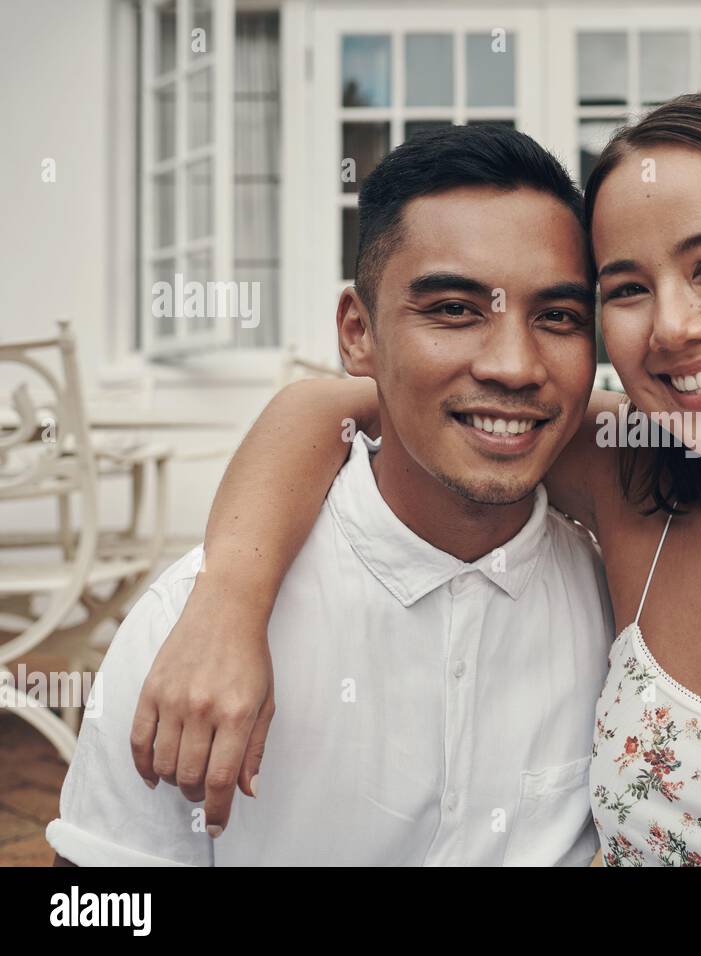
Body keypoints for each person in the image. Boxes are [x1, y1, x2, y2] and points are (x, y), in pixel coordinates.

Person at [126, 93, 701, 866]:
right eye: (628, 287)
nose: (677, 326)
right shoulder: (632, 476)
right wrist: (225, 607)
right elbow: (339, 406)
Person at [47, 124, 613, 865]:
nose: (514, 365)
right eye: (453, 310)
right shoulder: (195, 632)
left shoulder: (623, 608)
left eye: (558, 317)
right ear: (358, 333)